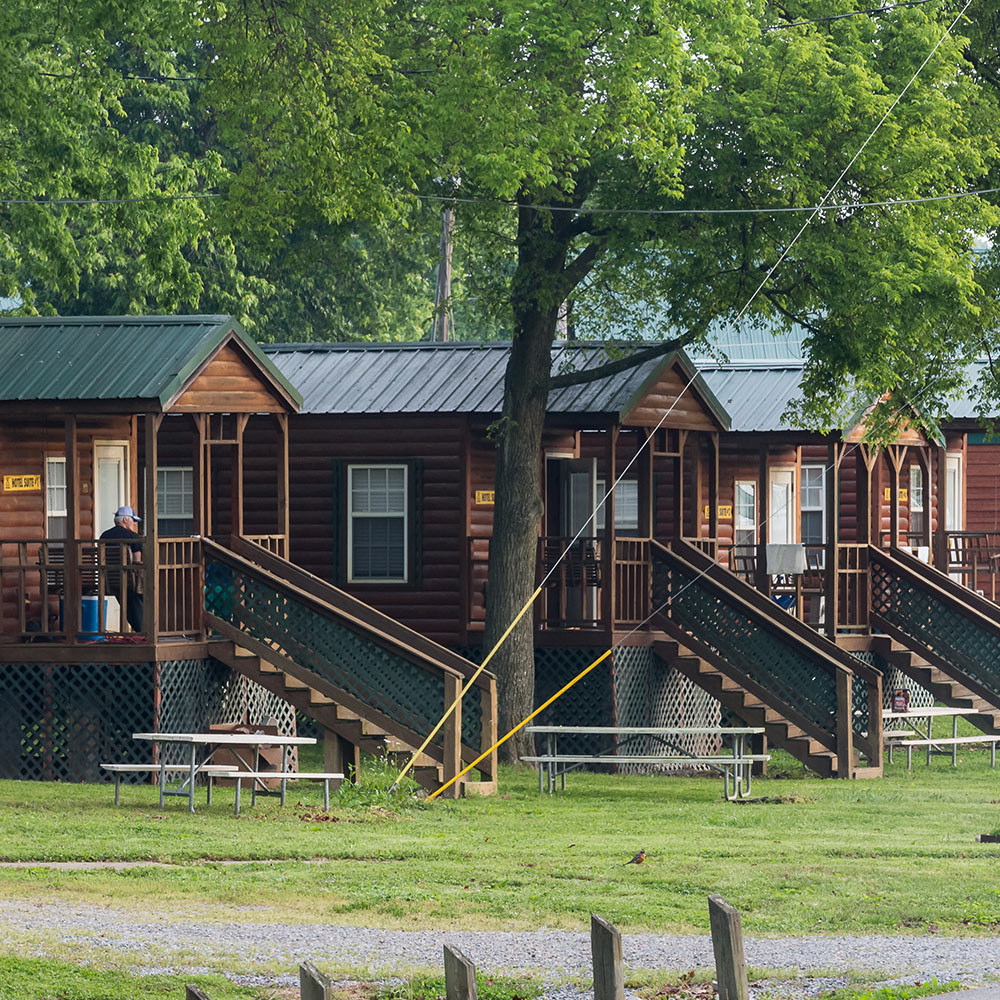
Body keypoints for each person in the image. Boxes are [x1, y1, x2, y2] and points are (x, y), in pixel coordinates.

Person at [99, 505, 144, 633]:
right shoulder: (134, 537)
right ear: (125, 520)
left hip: (109, 581)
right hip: (129, 582)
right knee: (144, 593)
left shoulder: (104, 536)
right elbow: (137, 562)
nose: (134, 524)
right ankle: (144, 629)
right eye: (133, 520)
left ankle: (140, 629)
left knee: (130, 600)